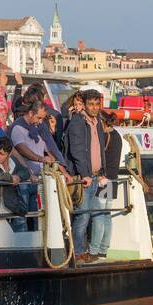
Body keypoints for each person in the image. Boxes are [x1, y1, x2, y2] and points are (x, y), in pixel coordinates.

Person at [62, 89, 113, 264]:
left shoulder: (97, 121)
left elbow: (100, 149)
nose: (94, 107)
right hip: (85, 178)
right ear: (83, 104)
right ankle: (78, 252)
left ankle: (98, 250)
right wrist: (85, 174)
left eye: (97, 104)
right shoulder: (77, 122)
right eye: (90, 104)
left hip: (99, 176)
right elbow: (77, 151)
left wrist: (103, 173)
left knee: (99, 213)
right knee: (83, 216)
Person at [0, 137, 27, 225]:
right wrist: (11, 178)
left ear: (9, 154)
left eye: (1, 154)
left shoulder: (13, 161)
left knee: (21, 231)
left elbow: (26, 172)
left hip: (14, 208)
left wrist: (18, 177)